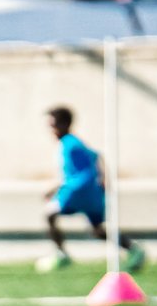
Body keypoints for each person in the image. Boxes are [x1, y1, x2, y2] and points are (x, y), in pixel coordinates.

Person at [40, 105, 144, 272]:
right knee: (98, 230)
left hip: (78, 191)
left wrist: (53, 189)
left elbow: (71, 175)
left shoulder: (68, 145)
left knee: (49, 213)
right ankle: (133, 248)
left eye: (53, 125)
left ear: (64, 124)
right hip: (92, 193)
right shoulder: (76, 142)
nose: (50, 130)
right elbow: (97, 156)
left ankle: (61, 254)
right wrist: (103, 179)